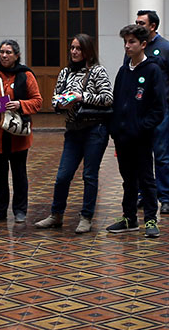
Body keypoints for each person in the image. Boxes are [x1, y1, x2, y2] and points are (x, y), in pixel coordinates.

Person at [34, 33, 113, 233]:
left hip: (95, 130)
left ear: (88, 51)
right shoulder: (65, 72)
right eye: (72, 48)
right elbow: (53, 100)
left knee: (89, 175)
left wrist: (81, 97)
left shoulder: (97, 71)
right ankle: (56, 215)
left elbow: (107, 98)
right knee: (63, 175)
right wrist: (61, 104)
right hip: (73, 130)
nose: (74, 52)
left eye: (78, 48)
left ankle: (86, 217)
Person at [107, 24, 166, 238]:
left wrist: (141, 127)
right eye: (125, 42)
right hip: (122, 137)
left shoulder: (152, 70)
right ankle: (129, 218)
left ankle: (150, 218)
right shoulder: (123, 71)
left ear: (143, 44)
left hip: (141, 137)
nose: (127, 46)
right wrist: (115, 128)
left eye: (132, 42)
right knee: (127, 179)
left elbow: (158, 108)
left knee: (146, 178)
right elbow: (117, 102)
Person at [0, 39, 42, 223]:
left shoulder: (26, 75)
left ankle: (20, 210)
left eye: (9, 52)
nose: (4, 56)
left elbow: (37, 101)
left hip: (18, 135)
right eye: (2, 52)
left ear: (17, 55)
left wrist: (20, 104)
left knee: (19, 174)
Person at [135, 10, 169, 214]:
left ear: (153, 26)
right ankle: (144, 194)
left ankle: (165, 198)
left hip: (160, 109)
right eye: (136, 22)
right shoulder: (135, 48)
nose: (137, 25)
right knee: (140, 154)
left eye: (141, 23)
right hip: (139, 110)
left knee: (162, 155)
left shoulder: (167, 49)